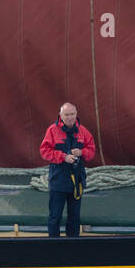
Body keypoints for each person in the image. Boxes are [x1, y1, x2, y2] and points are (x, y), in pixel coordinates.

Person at [39, 102, 96, 238]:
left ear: (76, 114)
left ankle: (73, 246)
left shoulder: (83, 131)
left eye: (72, 114)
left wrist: (81, 152)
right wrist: (63, 157)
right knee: (55, 216)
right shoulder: (52, 131)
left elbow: (91, 150)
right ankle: (54, 246)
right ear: (60, 115)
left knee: (74, 217)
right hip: (58, 180)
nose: (70, 117)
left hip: (76, 181)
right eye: (67, 115)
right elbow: (44, 151)